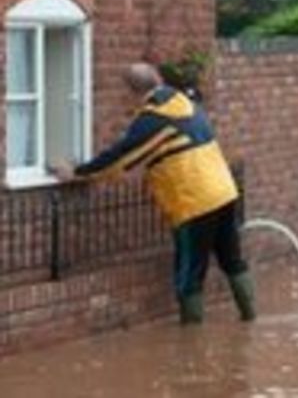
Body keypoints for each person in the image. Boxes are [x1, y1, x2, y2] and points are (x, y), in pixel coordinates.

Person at [53, 63, 256, 324]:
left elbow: (120, 158)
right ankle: (250, 319)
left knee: (189, 275)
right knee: (232, 259)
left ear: (130, 92)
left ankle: (191, 343)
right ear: (158, 80)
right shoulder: (184, 101)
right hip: (224, 192)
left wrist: (77, 173)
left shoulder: (153, 120)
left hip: (194, 202)